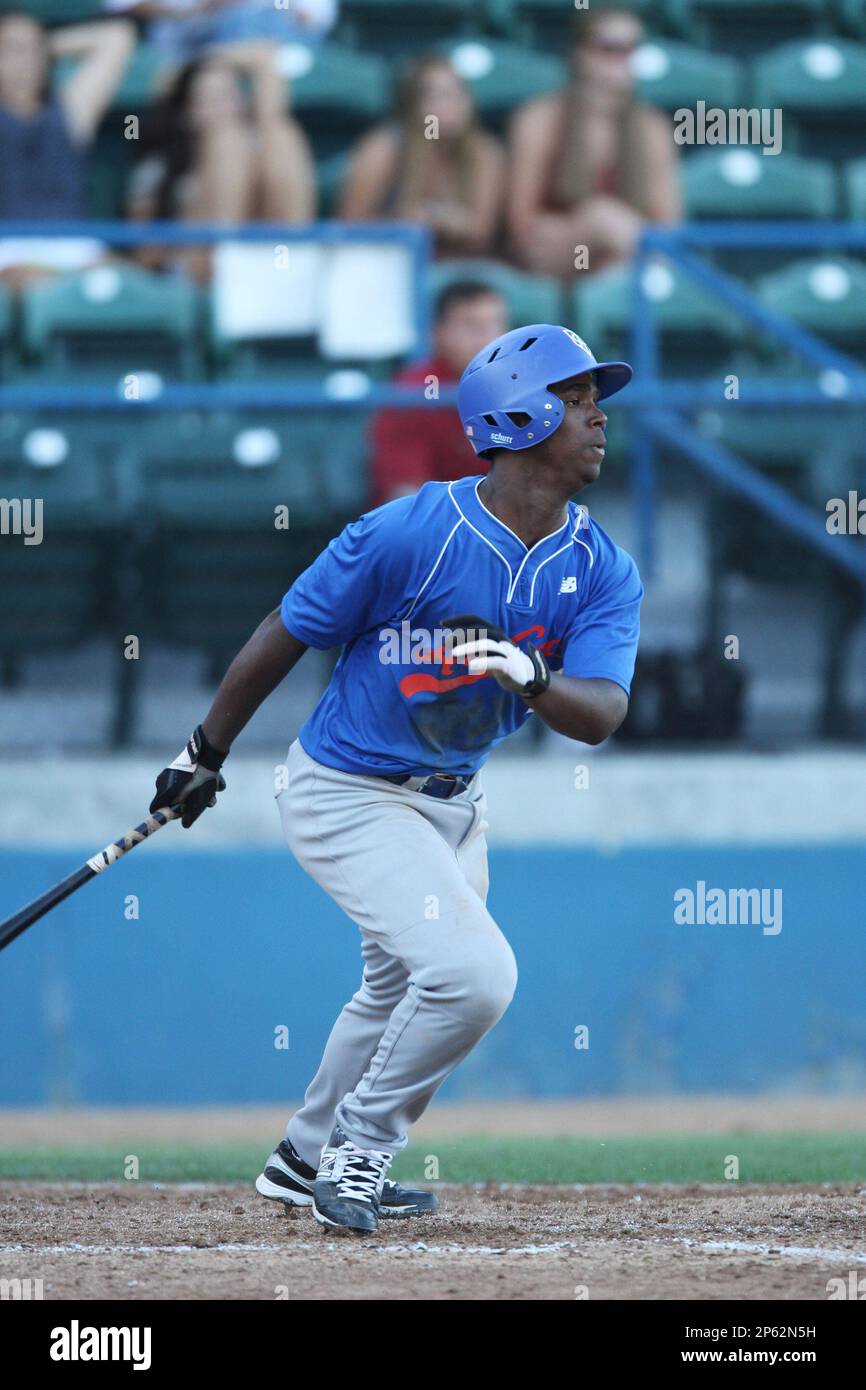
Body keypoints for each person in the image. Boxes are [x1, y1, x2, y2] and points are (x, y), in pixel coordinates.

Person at [149, 323, 643, 1235]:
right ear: (522, 417)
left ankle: (302, 1161)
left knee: (396, 989)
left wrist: (530, 675)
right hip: (349, 793)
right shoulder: (411, 529)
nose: (599, 417)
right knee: (476, 976)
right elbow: (286, 629)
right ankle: (360, 1151)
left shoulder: (599, 564)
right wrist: (203, 753)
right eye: (577, 403)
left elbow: (603, 714)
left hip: (455, 807)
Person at [507, 7, 681, 277]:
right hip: (551, 262)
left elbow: (668, 229)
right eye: (610, 49)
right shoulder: (540, 119)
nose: (622, 60)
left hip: (623, 264)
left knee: (609, 223)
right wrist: (585, 227)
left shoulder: (652, 128)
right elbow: (522, 228)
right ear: (580, 53)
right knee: (602, 217)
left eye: (632, 50)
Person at [128, 40, 314, 279]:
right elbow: (144, 254)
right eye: (210, 99)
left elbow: (267, 63)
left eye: (228, 96)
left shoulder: (258, 146)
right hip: (197, 267)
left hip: (265, 257)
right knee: (229, 141)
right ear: (188, 114)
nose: (223, 108)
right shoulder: (159, 165)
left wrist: (213, 56)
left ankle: (296, 262)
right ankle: (230, 264)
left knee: (281, 132)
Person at [0, 9, 135, 281]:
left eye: (32, 49)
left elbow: (118, 36)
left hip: (74, 246)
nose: (23, 59)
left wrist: (44, 47)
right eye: (10, 48)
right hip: (9, 246)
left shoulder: (70, 112)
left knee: (127, 284)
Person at [339, 53, 505, 260]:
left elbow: (481, 235)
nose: (454, 105)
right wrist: (401, 222)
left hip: (458, 265)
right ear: (413, 106)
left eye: (459, 93)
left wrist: (442, 221)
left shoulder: (484, 152)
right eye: (439, 96)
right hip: (389, 260)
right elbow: (349, 227)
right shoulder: (384, 149)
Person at [369, 280, 508, 507]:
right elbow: (408, 498)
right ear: (438, 333)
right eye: (472, 326)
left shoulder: (525, 388)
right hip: (434, 531)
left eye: (496, 324)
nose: (487, 339)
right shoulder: (412, 394)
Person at [103, 0, 337, 62]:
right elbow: (122, 6)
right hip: (189, 44)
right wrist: (198, 10)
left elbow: (312, 19)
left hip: (272, 43)